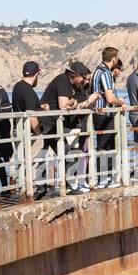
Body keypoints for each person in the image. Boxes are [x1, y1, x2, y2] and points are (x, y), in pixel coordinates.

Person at [40, 61, 92, 193]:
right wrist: (73, 101)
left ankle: (68, 185)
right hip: (48, 124)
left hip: (55, 123)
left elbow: (71, 104)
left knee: (67, 153)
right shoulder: (62, 81)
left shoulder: (70, 83)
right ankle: (67, 185)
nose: (84, 80)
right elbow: (63, 105)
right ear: (75, 75)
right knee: (66, 153)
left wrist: (73, 102)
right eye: (83, 77)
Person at [12, 61, 50, 197]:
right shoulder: (28, 90)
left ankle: (24, 187)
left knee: (24, 160)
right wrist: (39, 132)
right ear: (36, 74)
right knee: (33, 160)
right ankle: (31, 189)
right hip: (30, 132)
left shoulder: (17, 87)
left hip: (19, 130)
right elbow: (30, 114)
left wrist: (41, 106)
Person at [90, 47, 124, 187]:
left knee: (104, 146)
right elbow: (110, 98)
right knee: (106, 146)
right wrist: (120, 102)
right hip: (104, 114)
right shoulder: (105, 73)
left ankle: (104, 178)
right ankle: (104, 179)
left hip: (99, 113)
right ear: (114, 58)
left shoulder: (97, 70)